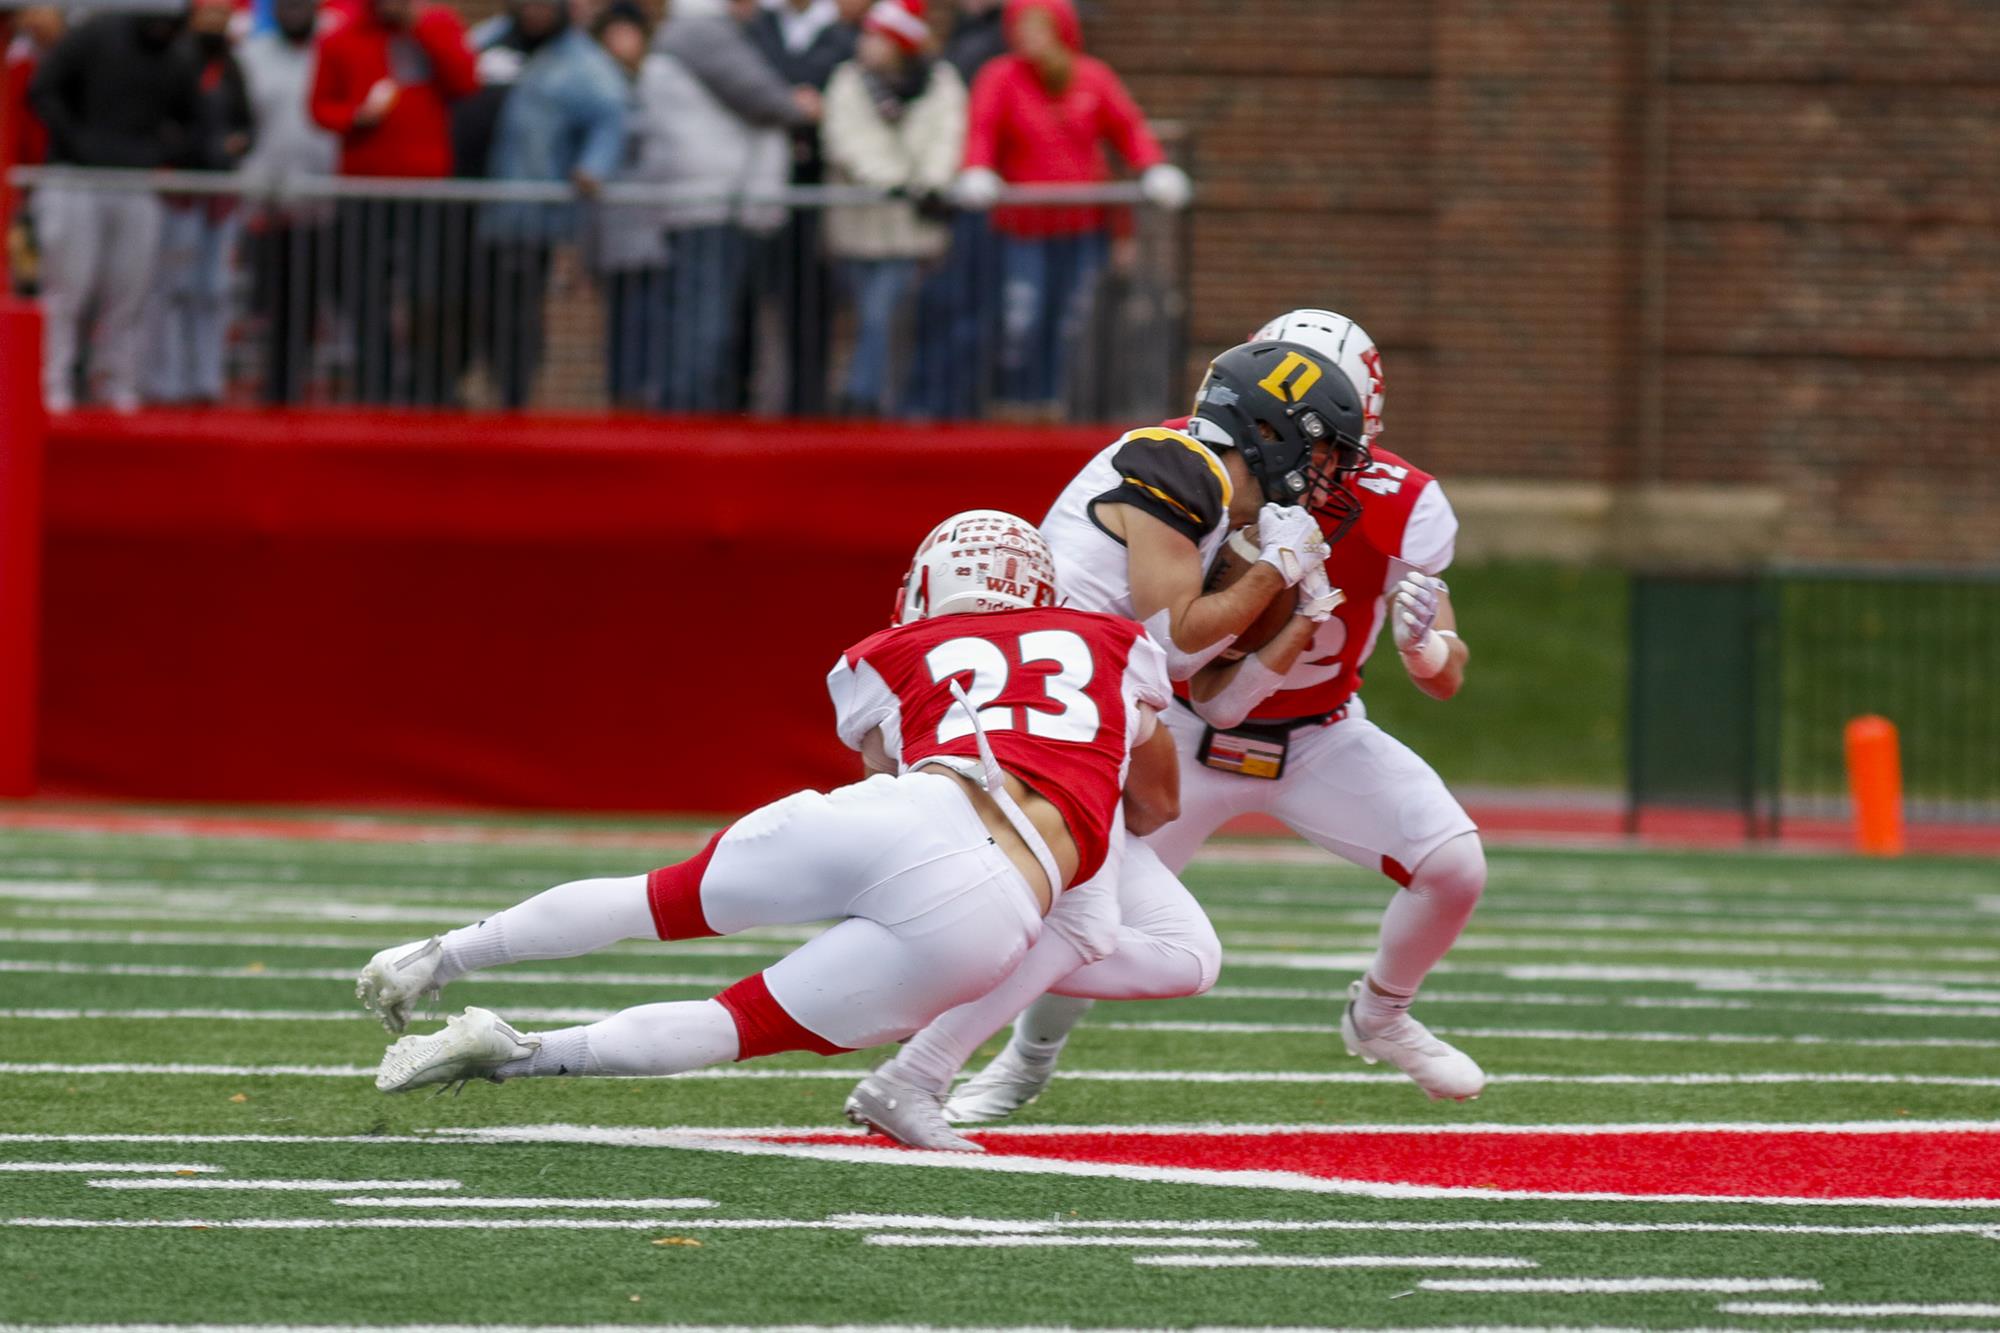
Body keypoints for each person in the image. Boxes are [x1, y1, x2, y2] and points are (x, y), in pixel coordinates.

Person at [356, 510, 1180, 1102]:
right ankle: (515, 1053)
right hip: (1003, 900)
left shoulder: (889, 649)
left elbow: (879, 765)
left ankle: (438, 955)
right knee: (731, 1022)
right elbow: (1156, 798)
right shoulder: (1114, 644)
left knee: (655, 898)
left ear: (928, 583)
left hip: (912, 810)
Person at [947, 310, 1491, 1119]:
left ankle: (1382, 1015)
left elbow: (1446, 666)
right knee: (1089, 905)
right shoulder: (1190, 460)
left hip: (1320, 731)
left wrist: (1426, 653)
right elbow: (1182, 653)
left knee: (1455, 866)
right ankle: (1024, 1059)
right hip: (1190, 731)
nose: (1325, 465)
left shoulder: (1403, 499)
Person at [846, 338, 1365, 1147]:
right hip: (1028, 738)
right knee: (1096, 924)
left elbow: (1219, 705)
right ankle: (918, 1054)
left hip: (1080, 734)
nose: (1330, 475)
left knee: (1183, 955)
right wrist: (1270, 574)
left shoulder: (1211, 508)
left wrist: (1300, 621)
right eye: (1326, 451)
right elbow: (1179, 634)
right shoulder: (1175, 461)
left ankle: (941, 998)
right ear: (1274, 430)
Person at [953, 0, 1189, 413]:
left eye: (1037, 27)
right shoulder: (1000, 76)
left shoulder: (1092, 77)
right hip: (1021, 229)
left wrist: (1152, 168)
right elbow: (982, 129)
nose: (1028, 37)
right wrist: (976, 169)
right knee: (1022, 318)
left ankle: (1058, 404)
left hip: (1082, 228)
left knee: (1071, 320)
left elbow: (1127, 128)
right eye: (1021, 28)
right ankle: (1016, 403)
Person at [643, 0, 815, 412]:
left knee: (695, 315)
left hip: (701, 198)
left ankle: (685, 409)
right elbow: (760, 96)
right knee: (705, 320)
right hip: (711, 200)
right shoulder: (703, 31)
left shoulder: (688, 30)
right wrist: (799, 105)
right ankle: (691, 414)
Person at [28, 8, 201, 413]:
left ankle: (117, 383)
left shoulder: (178, 55)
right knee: (67, 288)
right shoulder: (94, 35)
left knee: (130, 290)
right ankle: (52, 384)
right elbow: (43, 89)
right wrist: (76, 141)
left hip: (134, 183)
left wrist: (156, 152)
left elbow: (195, 119)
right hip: (74, 179)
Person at [310, 0, 477, 403]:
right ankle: (375, 386)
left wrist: (421, 30)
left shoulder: (437, 25)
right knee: (364, 293)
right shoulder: (341, 37)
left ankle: (432, 387)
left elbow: (466, 82)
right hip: (363, 187)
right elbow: (319, 107)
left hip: (426, 188)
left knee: (430, 291)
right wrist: (354, 117)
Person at [470, 0, 627, 408]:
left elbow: (612, 116)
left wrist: (592, 167)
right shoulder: (488, 40)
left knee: (516, 314)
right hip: (466, 206)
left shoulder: (582, 62)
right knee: (468, 309)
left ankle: (513, 400)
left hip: (526, 215)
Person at [820, 0, 965, 416]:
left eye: (875, 37)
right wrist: (893, 181)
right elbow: (848, 139)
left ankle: (865, 396)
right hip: (863, 221)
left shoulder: (938, 81)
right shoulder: (849, 81)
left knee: (885, 311)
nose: (865, 43)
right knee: (871, 312)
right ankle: (874, 394)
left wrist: (930, 182)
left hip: (912, 223)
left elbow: (947, 133)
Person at [744, 0, 858, 415]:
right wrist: (795, 100)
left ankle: (808, 406)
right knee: (753, 301)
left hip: (820, 190)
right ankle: (746, 406)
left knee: (813, 305)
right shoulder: (759, 25)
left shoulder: (840, 34)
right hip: (761, 184)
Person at [144, 0, 253, 406]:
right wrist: (193, 149)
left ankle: (206, 378)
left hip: (219, 192)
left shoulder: (232, 65)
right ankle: (165, 377)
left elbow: (245, 120)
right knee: (174, 286)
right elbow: (163, 120)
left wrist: (237, 144)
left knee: (213, 288)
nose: (215, 24)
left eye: (222, 17)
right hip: (182, 192)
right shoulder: (175, 60)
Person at [240, 0, 340, 404]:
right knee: (273, 302)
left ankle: (308, 387)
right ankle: (277, 390)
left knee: (319, 300)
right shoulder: (252, 56)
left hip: (331, 201)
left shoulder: (334, 50)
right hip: (270, 202)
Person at [587, 1, 671, 408]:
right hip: (614, 224)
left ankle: (642, 393)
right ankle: (623, 394)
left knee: (651, 317)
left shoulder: (658, 82)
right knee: (622, 317)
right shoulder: (598, 85)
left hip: (654, 221)